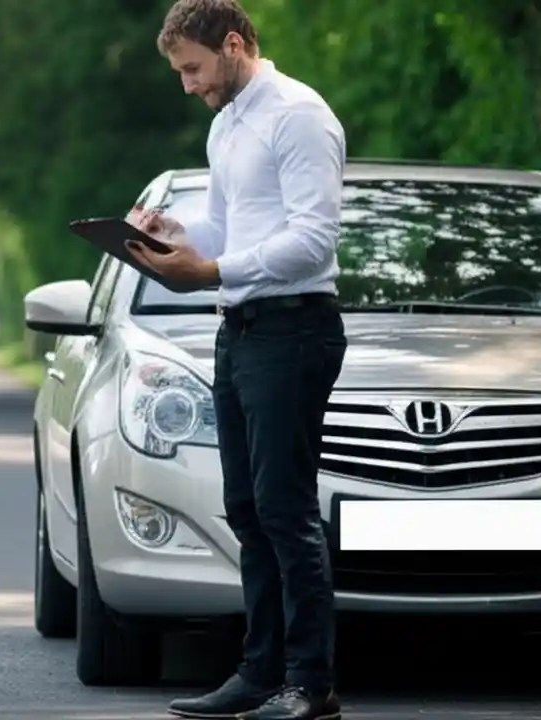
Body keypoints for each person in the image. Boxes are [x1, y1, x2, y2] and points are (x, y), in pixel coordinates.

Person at [125, 2, 347, 719]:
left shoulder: (299, 115)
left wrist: (213, 271)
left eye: (192, 69)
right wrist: (172, 235)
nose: (188, 85)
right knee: (247, 509)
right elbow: (229, 227)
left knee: (285, 510)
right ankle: (258, 675)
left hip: (295, 329)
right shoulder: (226, 126)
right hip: (240, 332)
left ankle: (311, 686)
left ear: (232, 44)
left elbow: (313, 240)